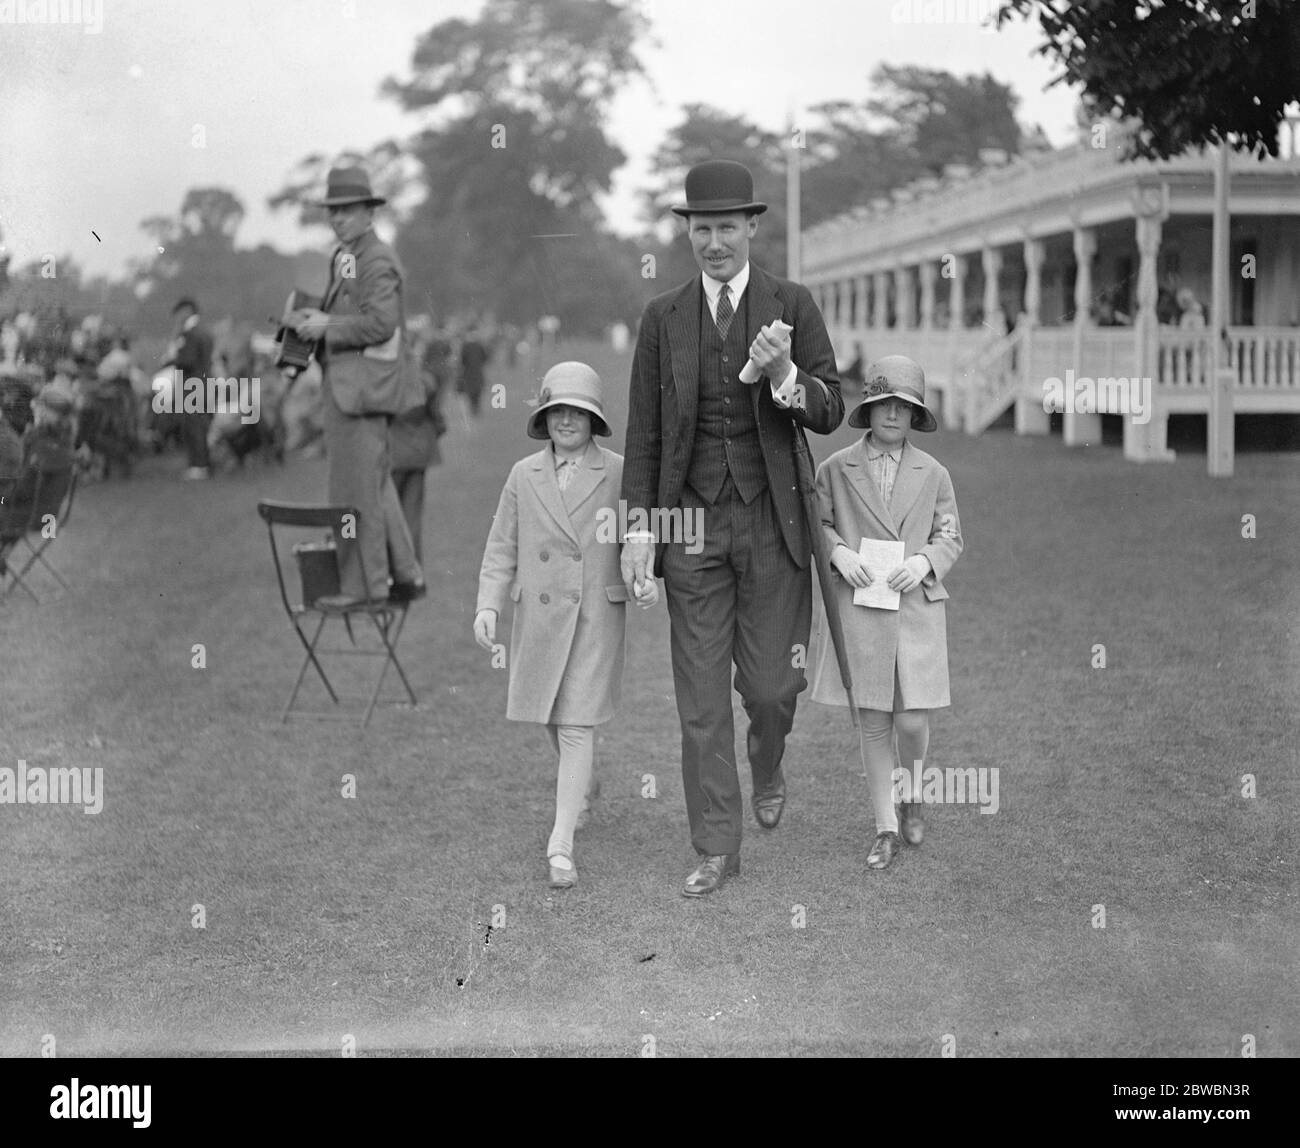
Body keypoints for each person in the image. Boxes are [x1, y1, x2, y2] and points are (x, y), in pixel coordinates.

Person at [620, 159, 844, 897]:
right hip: (689, 523)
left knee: (775, 686)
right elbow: (647, 433)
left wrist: (784, 379)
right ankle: (717, 843)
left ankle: (769, 758)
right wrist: (639, 529)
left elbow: (830, 407)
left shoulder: (793, 303)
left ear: (751, 227)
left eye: (725, 227)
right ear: (687, 231)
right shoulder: (663, 318)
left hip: (773, 519)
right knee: (700, 698)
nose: (713, 242)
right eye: (700, 228)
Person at [474, 362, 656, 889]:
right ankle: (586, 784)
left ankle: (561, 845)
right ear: (544, 417)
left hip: (595, 615)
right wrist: (489, 604)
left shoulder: (621, 472)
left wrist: (647, 577)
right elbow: (501, 544)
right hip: (539, 618)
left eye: (578, 412)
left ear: (594, 420)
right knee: (553, 720)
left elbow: (641, 532)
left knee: (576, 723)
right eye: (557, 411)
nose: (567, 421)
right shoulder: (522, 474)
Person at [810, 356, 963, 870]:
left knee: (912, 720)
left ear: (915, 415)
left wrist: (923, 561)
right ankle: (885, 827)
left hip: (915, 607)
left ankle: (914, 791)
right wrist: (838, 553)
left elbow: (950, 536)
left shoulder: (934, 473)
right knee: (874, 721)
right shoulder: (834, 468)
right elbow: (819, 524)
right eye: (884, 405)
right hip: (863, 608)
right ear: (868, 409)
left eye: (904, 407)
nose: (893, 415)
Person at [288, 166, 425, 607]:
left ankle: (364, 587)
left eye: (347, 211)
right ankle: (405, 574)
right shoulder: (346, 256)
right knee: (376, 486)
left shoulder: (376, 259)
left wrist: (327, 326)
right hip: (350, 390)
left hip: (362, 395)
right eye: (333, 211)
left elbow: (382, 324)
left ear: (369, 212)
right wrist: (307, 324)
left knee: (353, 493)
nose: (338, 219)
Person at [161, 298, 214, 480]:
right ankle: (203, 463)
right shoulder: (204, 331)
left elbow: (188, 360)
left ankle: (199, 465)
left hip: (192, 382)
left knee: (194, 424)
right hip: (204, 381)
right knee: (200, 423)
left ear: (188, 311)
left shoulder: (191, 333)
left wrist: (170, 360)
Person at [459, 328, 488, 418]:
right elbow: (485, 357)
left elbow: (462, 359)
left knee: (471, 390)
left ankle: (473, 407)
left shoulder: (466, 346)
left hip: (469, 371)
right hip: (477, 371)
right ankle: (476, 406)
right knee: (477, 390)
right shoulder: (479, 345)